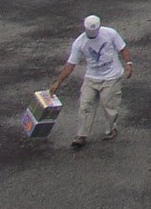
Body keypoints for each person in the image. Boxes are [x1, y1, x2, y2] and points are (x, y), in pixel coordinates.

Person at [49, 14, 132, 149]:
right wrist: (58, 81)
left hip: (111, 76)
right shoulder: (80, 42)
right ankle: (81, 135)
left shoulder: (110, 34)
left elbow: (122, 48)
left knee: (109, 104)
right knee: (85, 105)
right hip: (92, 77)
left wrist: (128, 63)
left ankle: (111, 129)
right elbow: (71, 64)